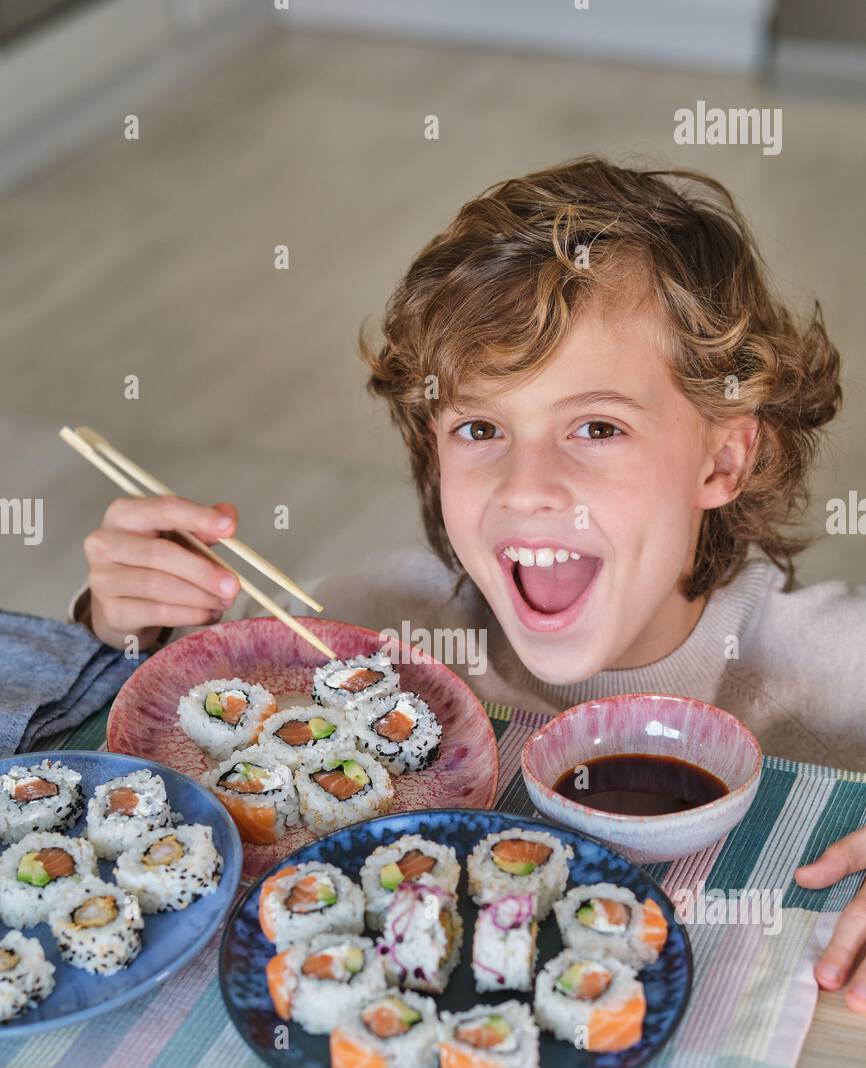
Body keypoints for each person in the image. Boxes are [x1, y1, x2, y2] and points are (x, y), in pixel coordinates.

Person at [76, 157, 866, 1009]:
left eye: (596, 426)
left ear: (723, 457)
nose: (525, 486)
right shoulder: (364, 633)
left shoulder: (827, 668)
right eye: (481, 425)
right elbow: (161, 750)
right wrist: (129, 629)